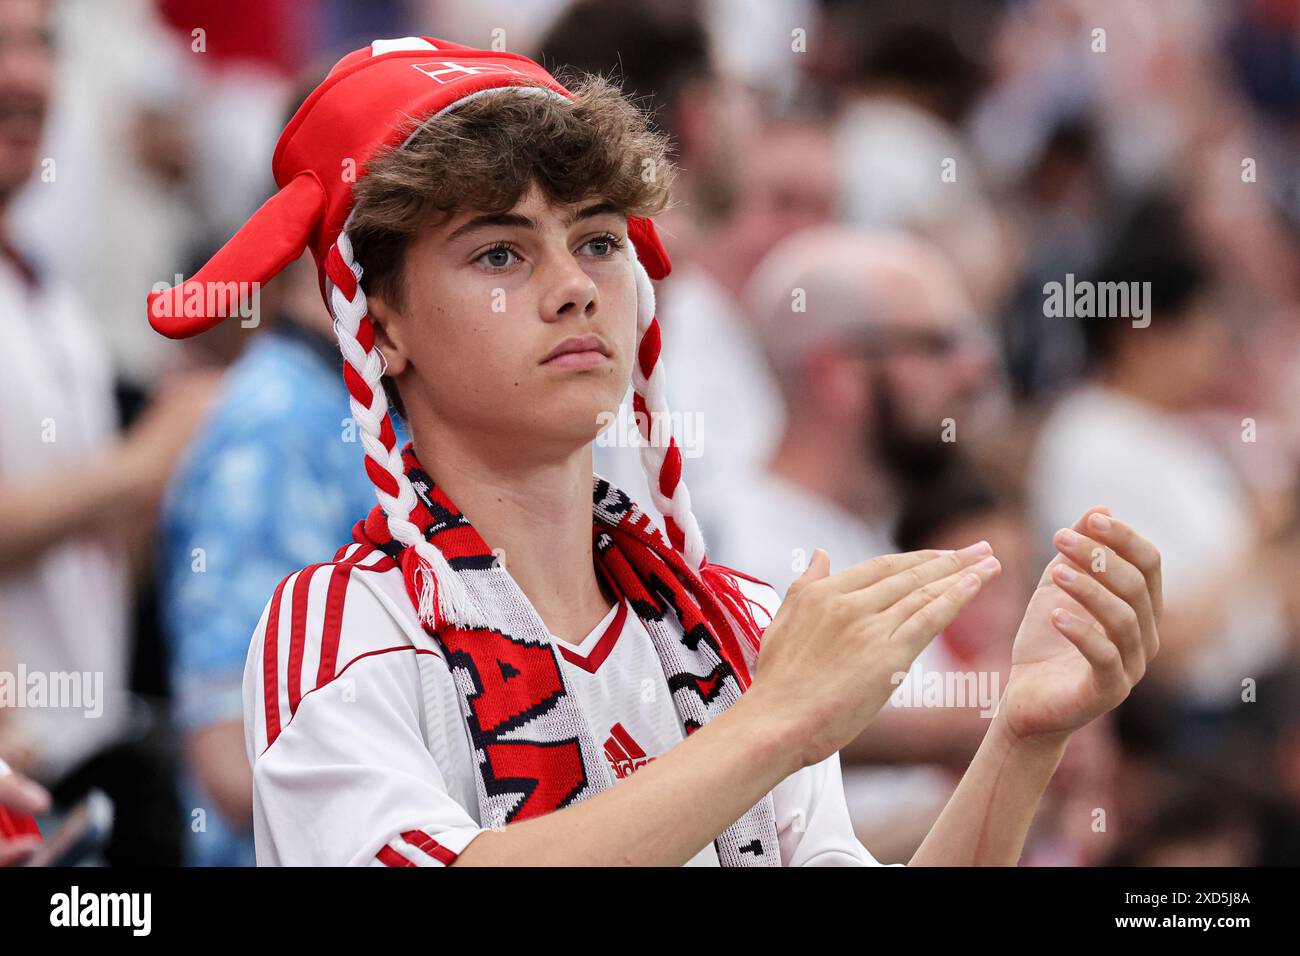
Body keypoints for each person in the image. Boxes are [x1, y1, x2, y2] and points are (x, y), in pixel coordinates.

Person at [148, 36, 1163, 867]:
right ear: (383, 327)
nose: (574, 286)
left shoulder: (740, 625)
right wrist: (774, 722)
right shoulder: (337, 625)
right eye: (500, 251)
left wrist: (1022, 738)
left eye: (596, 241)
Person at [0, 0, 212, 864]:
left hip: (79, 793)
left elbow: (89, 568)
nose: (26, 76)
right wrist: (142, 464)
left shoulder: (48, 297)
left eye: (41, 45)